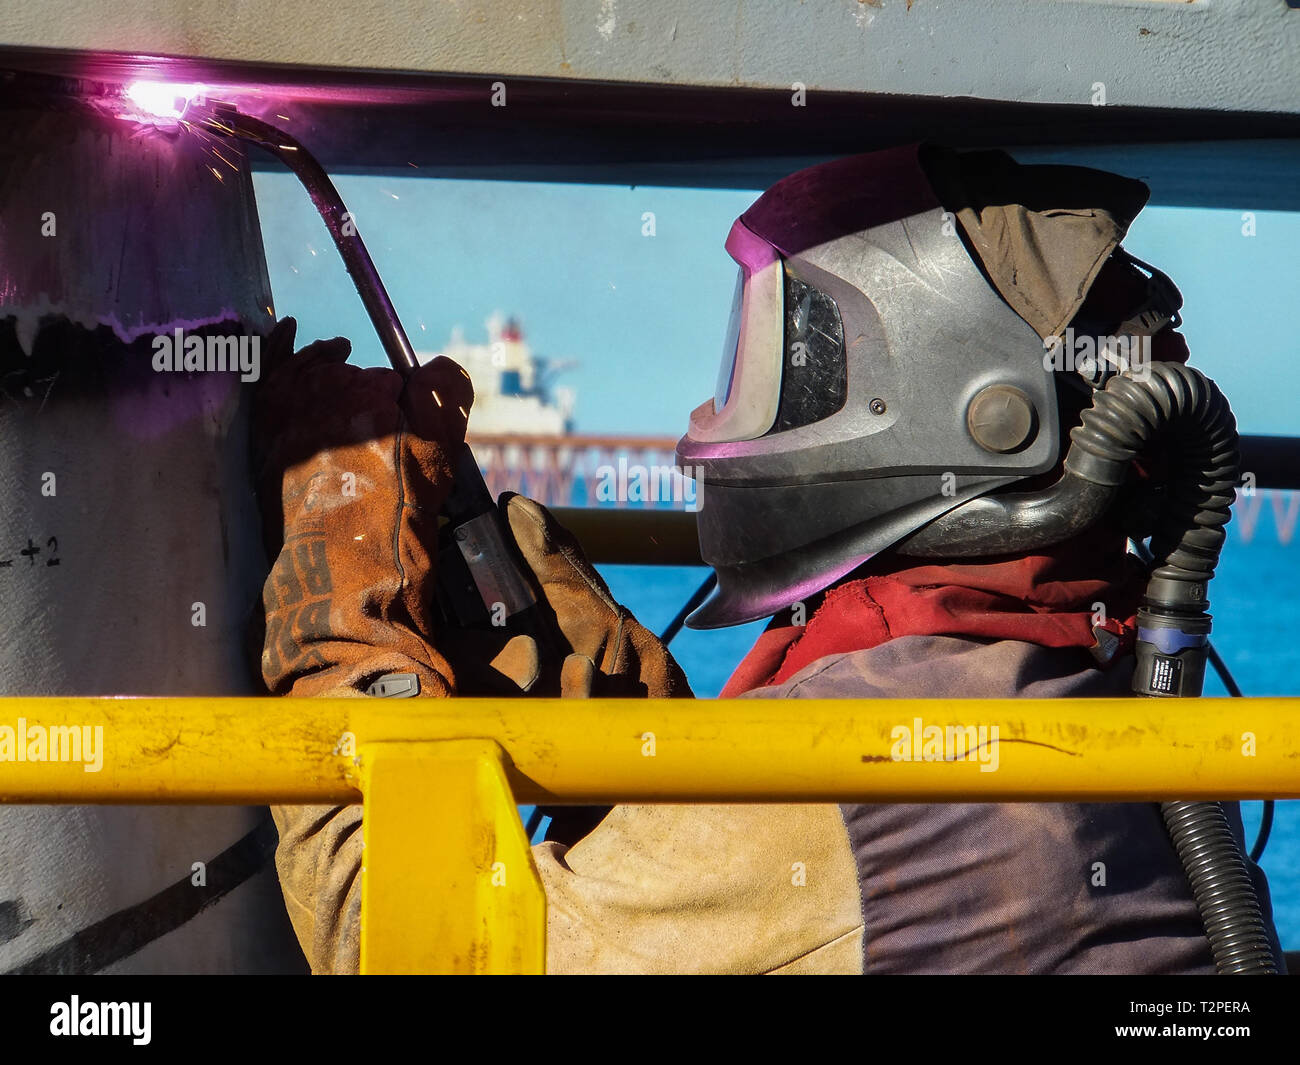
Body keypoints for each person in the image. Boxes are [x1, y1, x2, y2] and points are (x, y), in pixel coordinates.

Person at [255, 144, 1283, 974]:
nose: (716, 418)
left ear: (962, 412)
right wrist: (628, 739)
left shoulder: (856, 769)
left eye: (787, 361)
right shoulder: (1080, 682)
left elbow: (394, 943)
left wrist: (342, 538)